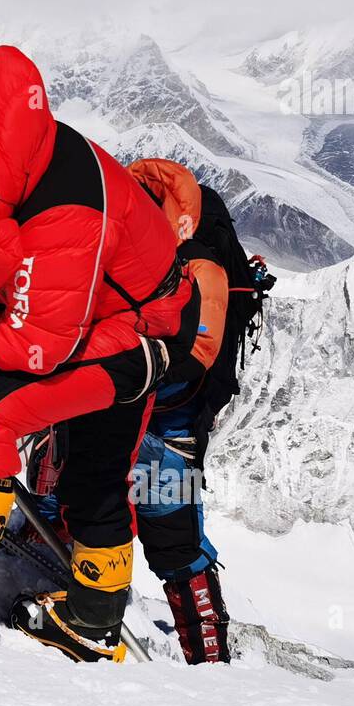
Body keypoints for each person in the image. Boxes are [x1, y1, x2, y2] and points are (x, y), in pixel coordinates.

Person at [0, 45, 197, 661]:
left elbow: (37, 346)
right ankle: (92, 621)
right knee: (95, 472)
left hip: (139, 339)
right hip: (115, 318)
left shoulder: (61, 213)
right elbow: (28, 289)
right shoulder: (10, 153)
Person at [125, 159, 270, 664]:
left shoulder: (193, 265)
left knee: (172, 539)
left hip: (163, 421)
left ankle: (210, 668)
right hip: (166, 422)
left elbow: (192, 361)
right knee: (174, 541)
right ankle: (207, 659)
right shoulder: (192, 251)